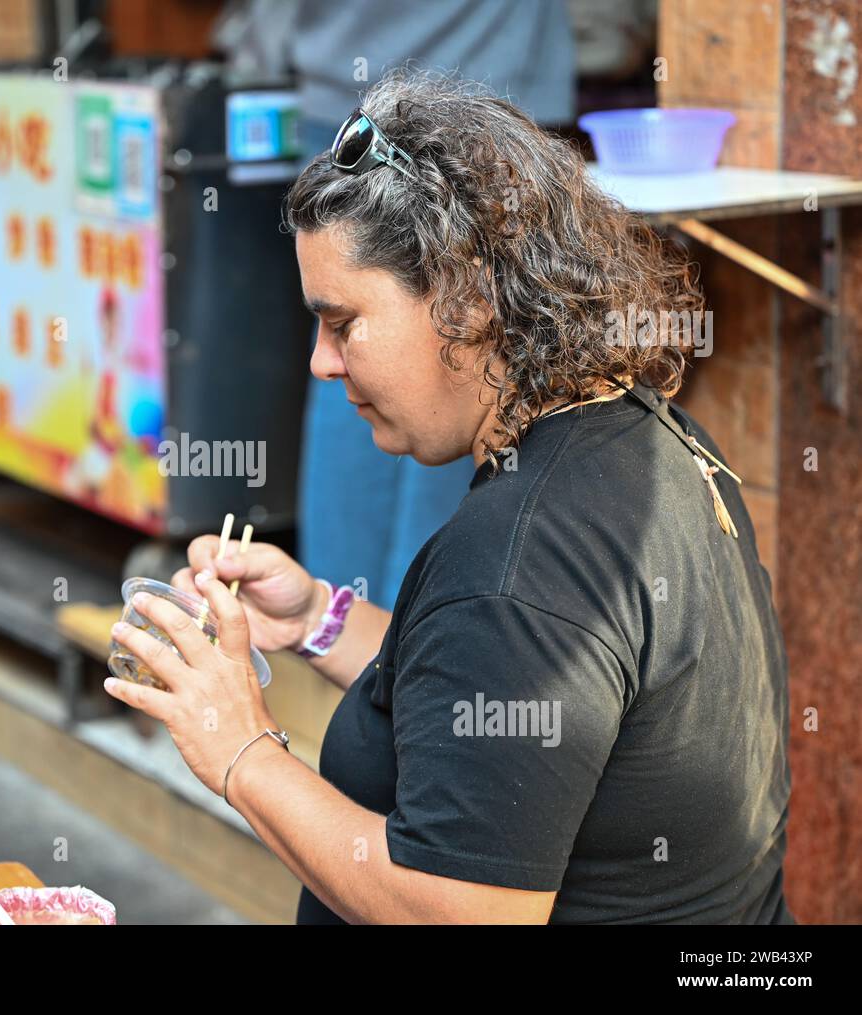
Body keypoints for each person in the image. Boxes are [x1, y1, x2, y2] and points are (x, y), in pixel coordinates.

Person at [104, 70, 793, 924]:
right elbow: (508, 698)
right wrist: (316, 616)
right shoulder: (650, 433)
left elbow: (462, 915)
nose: (321, 362)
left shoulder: (518, 559)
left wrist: (239, 748)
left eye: (343, 322)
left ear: (466, 298)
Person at [289, 0, 576, 607]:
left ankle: (378, 655)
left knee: (373, 354)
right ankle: (401, 658)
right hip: (472, 104)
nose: (321, 359)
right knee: (414, 372)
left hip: (340, 89)